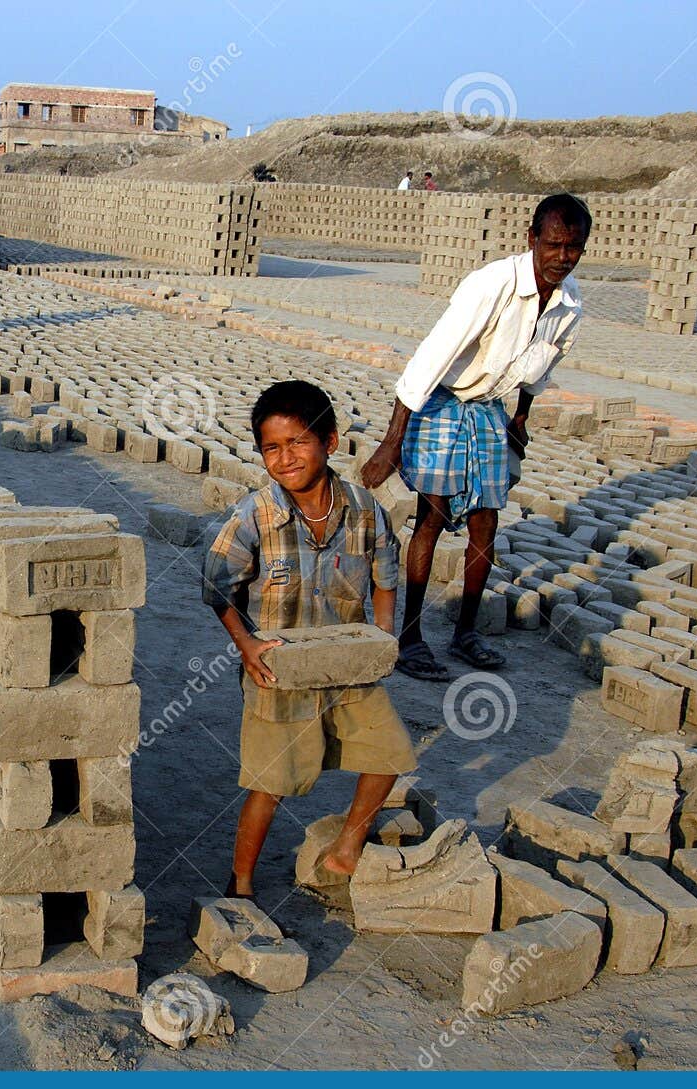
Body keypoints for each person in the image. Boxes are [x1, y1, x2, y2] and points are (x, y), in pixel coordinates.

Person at [360, 193, 589, 680]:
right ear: (532, 239)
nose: (562, 258)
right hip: (442, 399)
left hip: (488, 408)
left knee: (487, 521)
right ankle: (411, 635)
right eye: (554, 245)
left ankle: (465, 632)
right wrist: (391, 441)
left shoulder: (569, 305)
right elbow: (431, 358)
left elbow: (545, 366)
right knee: (433, 515)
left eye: (574, 249)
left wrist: (520, 418)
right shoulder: (492, 285)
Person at [204, 380, 417, 892]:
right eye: (272, 448)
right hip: (279, 669)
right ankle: (241, 882)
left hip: (348, 664)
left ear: (330, 441)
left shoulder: (366, 510)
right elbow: (216, 585)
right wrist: (247, 645)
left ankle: (347, 848)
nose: (286, 457)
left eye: (298, 441)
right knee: (270, 783)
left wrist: (382, 636)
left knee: (391, 754)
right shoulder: (255, 515)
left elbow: (387, 576)